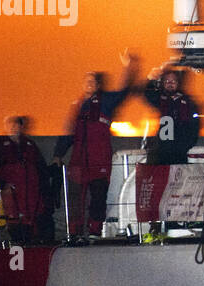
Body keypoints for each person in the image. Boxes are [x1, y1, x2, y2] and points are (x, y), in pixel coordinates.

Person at [53, 51, 140, 237]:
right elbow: (69, 132)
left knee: (98, 197)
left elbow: (124, 91)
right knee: (76, 199)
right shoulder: (78, 106)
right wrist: (58, 153)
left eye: (92, 82)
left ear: (98, 85)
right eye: (86, 82)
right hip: (79, 161)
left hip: (99, 160)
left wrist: (128, 67)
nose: (89, 85)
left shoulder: (106, 102)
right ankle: (75, 232)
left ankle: (94, 230)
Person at [0, 115, 51, 244]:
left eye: (16, 124)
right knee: (14, 228)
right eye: (10, 125)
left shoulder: (30, 145)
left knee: (32, 228)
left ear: (21, 126)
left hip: (31, 198)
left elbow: (42, 170)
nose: (13, 127)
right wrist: (2, 185)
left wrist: (45, 191)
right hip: (10, 198)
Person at [143, 68, 201, 165]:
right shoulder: (159, 98)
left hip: (179, 152)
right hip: (160, 152)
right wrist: (151, 79)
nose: (170, 83)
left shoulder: (187, 102)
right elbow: (147, 94)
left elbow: (195, 124)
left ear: (178, 83)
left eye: (173, 81)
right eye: (167, 81)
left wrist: (188, 144)